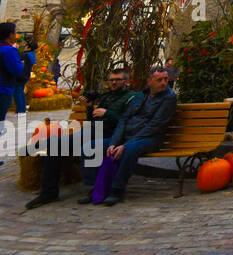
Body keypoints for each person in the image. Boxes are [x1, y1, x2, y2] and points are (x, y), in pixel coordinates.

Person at [27, 65, 135, 209]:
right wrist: (90, 107)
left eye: (117, 80)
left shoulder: (131, 98)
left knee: (88, 147)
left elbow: (129, 122)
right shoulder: (106, 96)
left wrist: (107, 114)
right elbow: (93, 120)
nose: (113, 83)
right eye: (111, 80)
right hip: (92, 131)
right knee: (54, 147)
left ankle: (95, 189)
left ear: (126, 81)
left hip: (111, 135)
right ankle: (49, 192)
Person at [100, 66, 178, 205]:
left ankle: (117, 190)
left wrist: (125, 145)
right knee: (93, 147)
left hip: (150, 138)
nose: (164, 83)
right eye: (159, 80)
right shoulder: (140, 95)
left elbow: (154, 126)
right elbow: (124, 119)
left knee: (130, 150)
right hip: (128, 136)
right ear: (149, 81)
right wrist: (114, 142)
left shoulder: (169, 98)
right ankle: (94, 188)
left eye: (165, 79)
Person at [0, 22, 32, 157]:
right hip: (3, 88)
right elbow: (16, 69)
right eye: (14, 32)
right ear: (9, 35)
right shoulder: (9, 50)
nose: (16, 35)